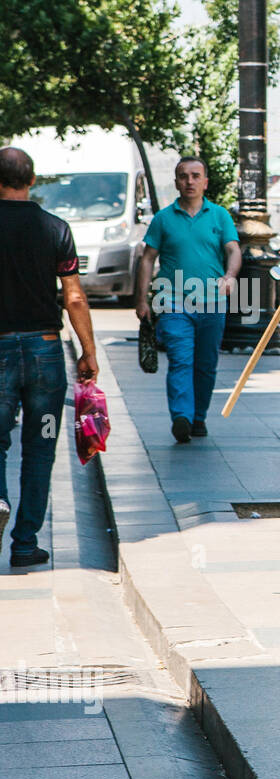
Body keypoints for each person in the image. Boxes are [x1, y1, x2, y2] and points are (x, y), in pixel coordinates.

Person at [0, 147, 98, 567]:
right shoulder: (55, 228)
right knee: (40, 447)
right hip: (44, 352)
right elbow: (74, 297)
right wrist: (88, 352)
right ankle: (25, 544)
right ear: (33, 180)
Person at [134, 157, 241, 443]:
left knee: (205, 364)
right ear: (176, 181)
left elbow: (233, 250)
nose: (189, 181)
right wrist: (142, 299)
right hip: (173, 303)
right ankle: (181, 416)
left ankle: (198, 417)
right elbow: (147, 260)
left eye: (195, 176)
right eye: (183, 176)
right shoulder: (163, 219)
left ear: (205, 182)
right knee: (181, 360)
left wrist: (230, 276)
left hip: (213, 303)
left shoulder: (219, 216)